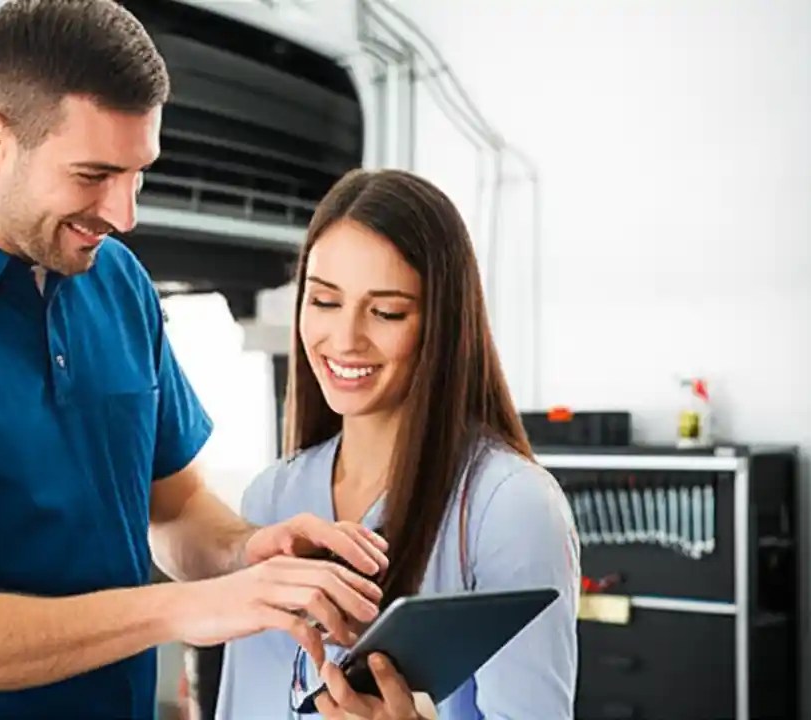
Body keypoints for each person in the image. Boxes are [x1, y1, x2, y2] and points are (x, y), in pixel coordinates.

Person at [0, 1, 392, 718]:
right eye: (93, 174)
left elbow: (177, 507)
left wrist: (251, 553)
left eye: (138, 174)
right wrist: (182, 610)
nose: (124, 213)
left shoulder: (117, 282)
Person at [214, 169, 581, 720]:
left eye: (385, 312)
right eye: (323, 302)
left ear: (442, 322)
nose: (344, 339)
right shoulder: (273, 496)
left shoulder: (508, 506)